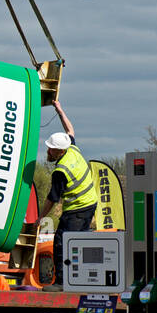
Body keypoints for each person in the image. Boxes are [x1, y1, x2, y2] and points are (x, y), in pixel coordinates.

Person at [40, 101, 98, 290]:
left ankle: (62, 283)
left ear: (60, 151)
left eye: (51, 149)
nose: (48, 151)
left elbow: (52, 198)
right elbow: (70, 128)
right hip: (90, 204)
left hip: (77, 209)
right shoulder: (71, 147)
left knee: (62, 243)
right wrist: (60, 110)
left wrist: (39, 218)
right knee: (79, 243)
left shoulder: (61, 170)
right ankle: (79, 281)